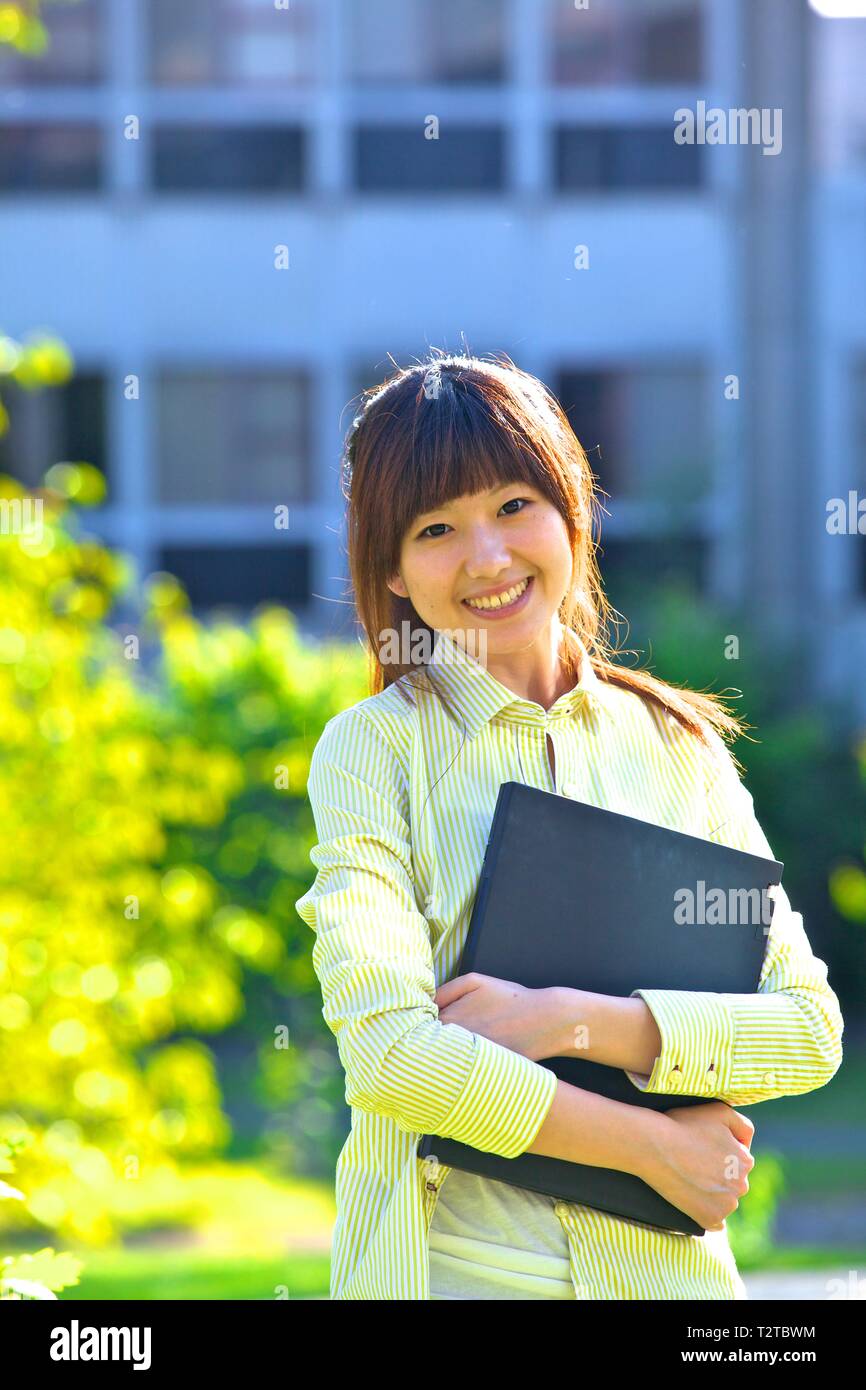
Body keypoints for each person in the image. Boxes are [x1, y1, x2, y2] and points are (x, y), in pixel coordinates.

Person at [295, 352, 844, 1301]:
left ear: (572, 507)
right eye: (436, 528)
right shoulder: (375, 753)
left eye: (514, 505)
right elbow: (388, 1053)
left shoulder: (682, 748)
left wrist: (570, 1022)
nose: (488, 558)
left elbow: (805, 1029)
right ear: (390, 567)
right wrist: (657, 1147)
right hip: (454, 1275)